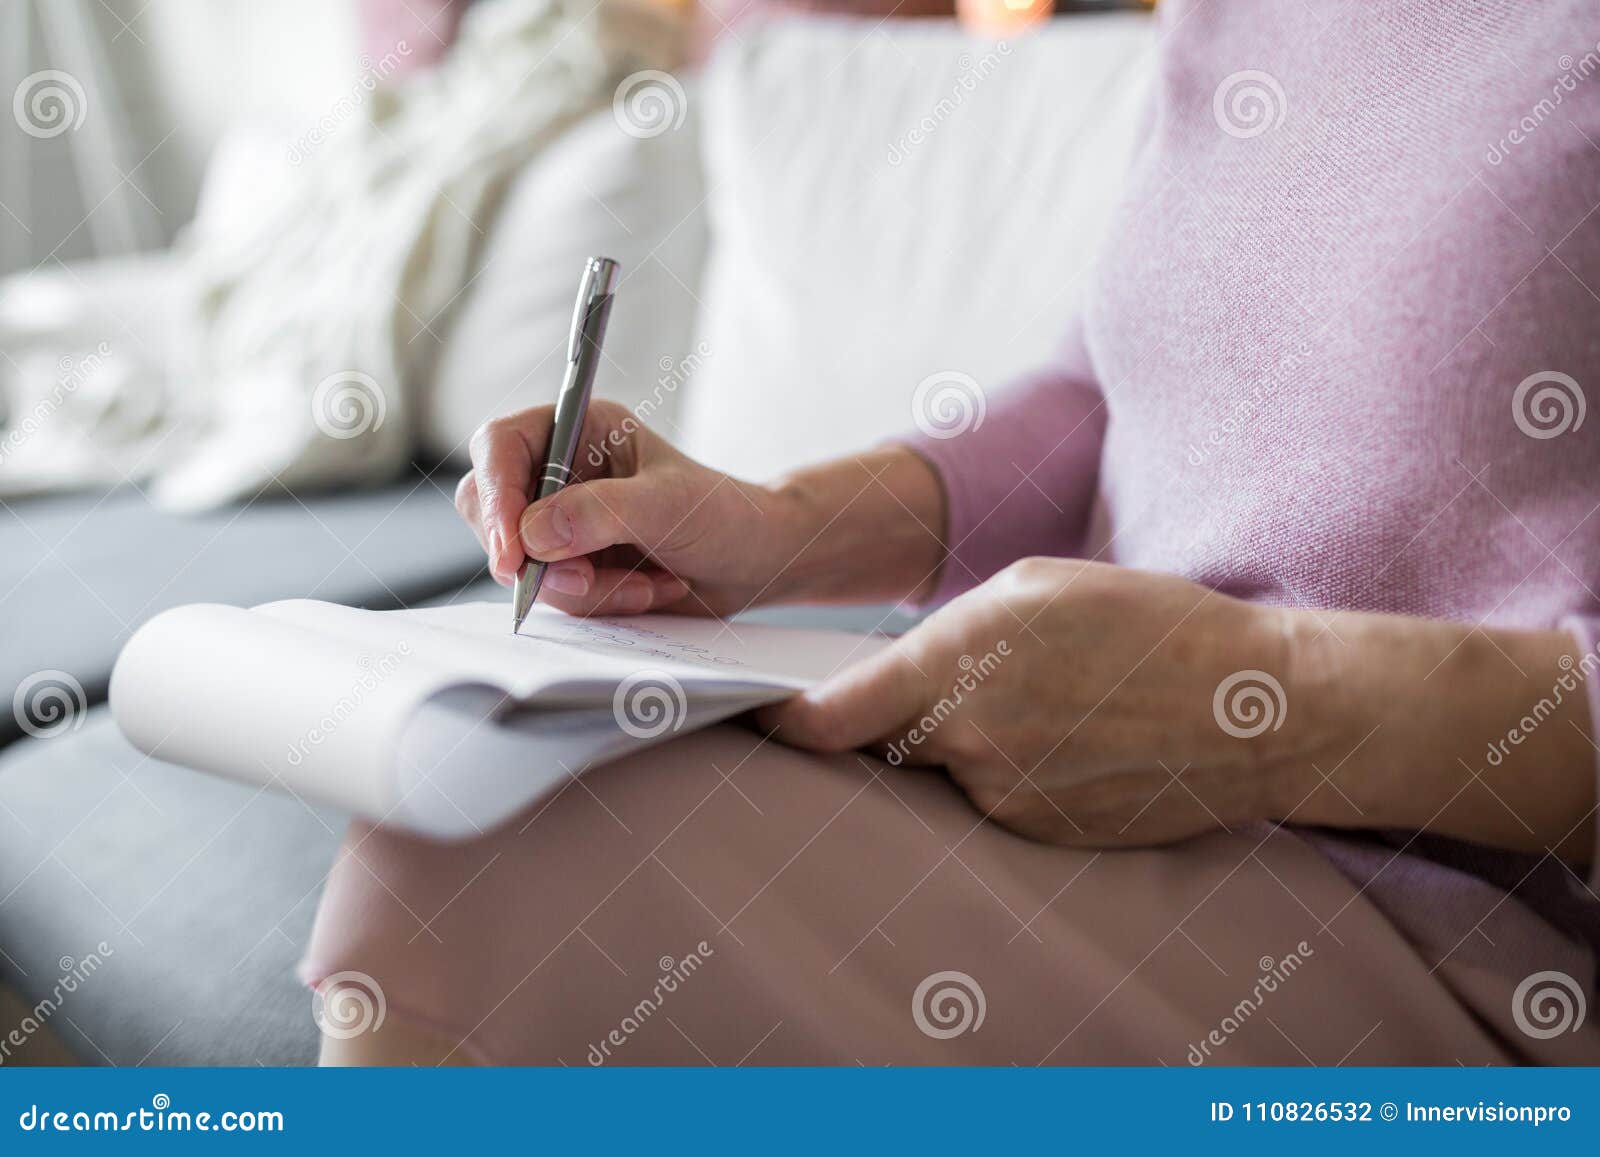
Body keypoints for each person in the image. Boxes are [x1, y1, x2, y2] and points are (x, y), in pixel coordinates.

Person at [303, 0, 1600, 1065]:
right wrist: (779, 525)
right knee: (474, 794)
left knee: (499, 869)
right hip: (1102, 813)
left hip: (1481, 953)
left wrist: (1261, 707)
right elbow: (1106, 389)